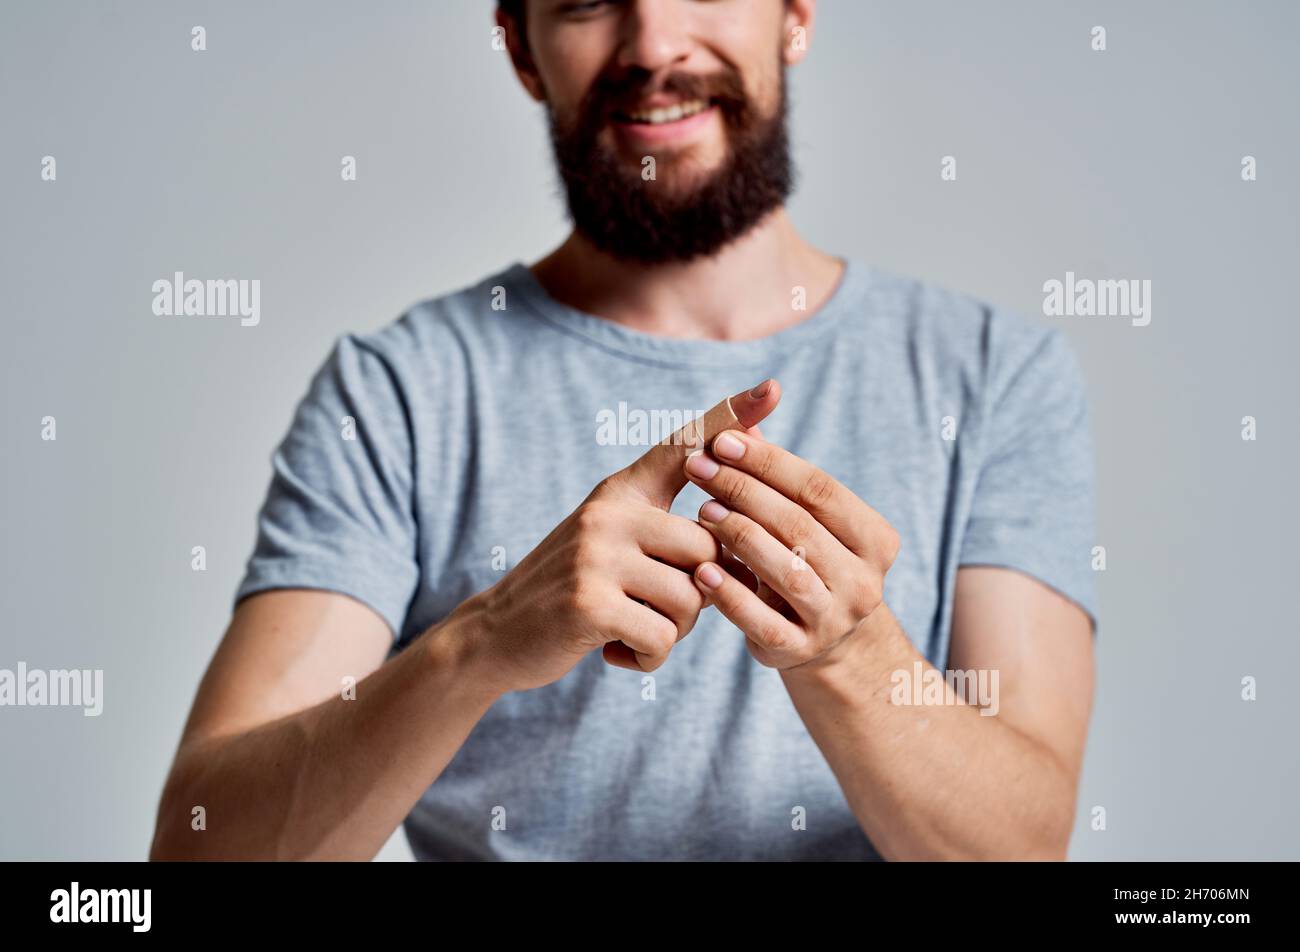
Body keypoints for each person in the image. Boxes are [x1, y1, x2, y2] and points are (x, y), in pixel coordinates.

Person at [150, 0, 1096, 861]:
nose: (654, 45)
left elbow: (1022, 852)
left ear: (795, 15)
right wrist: (479, 642)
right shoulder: (399, 390)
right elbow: (196, 856)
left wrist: (852, 657)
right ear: (521, 48)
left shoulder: (991, 377)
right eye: (589, 2)